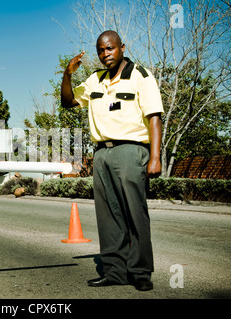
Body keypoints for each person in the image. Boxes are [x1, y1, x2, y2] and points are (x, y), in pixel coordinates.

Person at [61, 30, 163, 291]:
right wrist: (68, 74)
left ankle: (140, 273)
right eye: (100, 50)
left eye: (110, 49)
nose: (105, 54)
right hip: (101, 154)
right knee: (107, 217)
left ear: (122, 48)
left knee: (134, 214)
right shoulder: (95, 80)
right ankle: (115, 271)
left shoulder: (140, 76)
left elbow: (154, 117)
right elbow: (69, 101)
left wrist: (155, 157)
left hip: (130, 151)